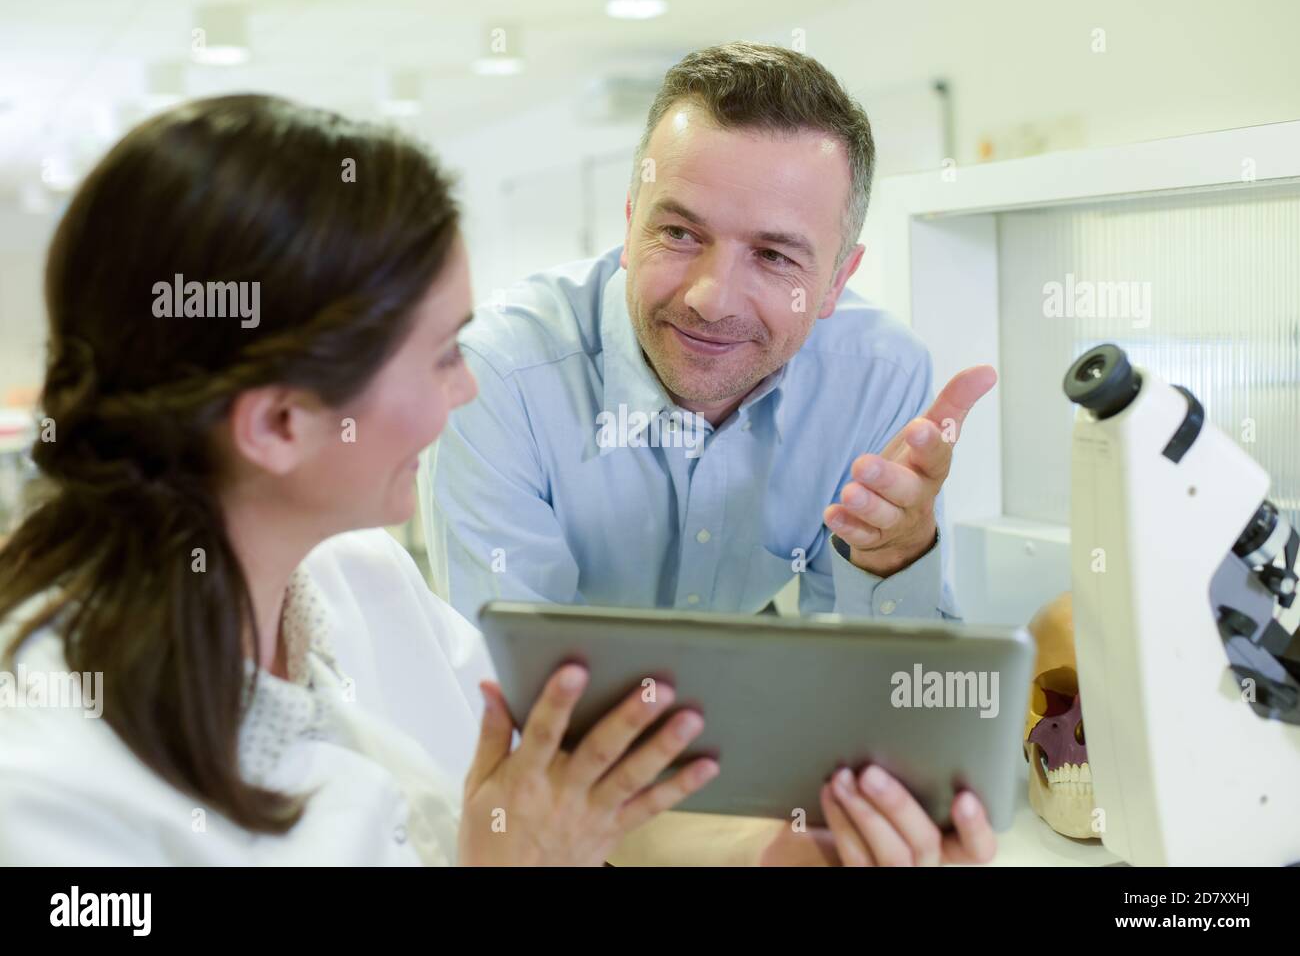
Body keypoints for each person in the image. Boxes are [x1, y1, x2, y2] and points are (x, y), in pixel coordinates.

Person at [0, 94, 996, 867]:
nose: (468, 389)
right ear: (279, 422)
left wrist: (795, 854)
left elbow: (569, 799)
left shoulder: (362, 579)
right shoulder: (49, 787)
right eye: (440, 354)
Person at [423, 41, 996, 623]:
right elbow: (506, 677)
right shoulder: (496, 376)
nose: (710, 298)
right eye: (678, 234)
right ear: (630, 223)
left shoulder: (879, 376)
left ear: (836, 280)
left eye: (773, 256)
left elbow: (877, 683)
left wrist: (894, 560)